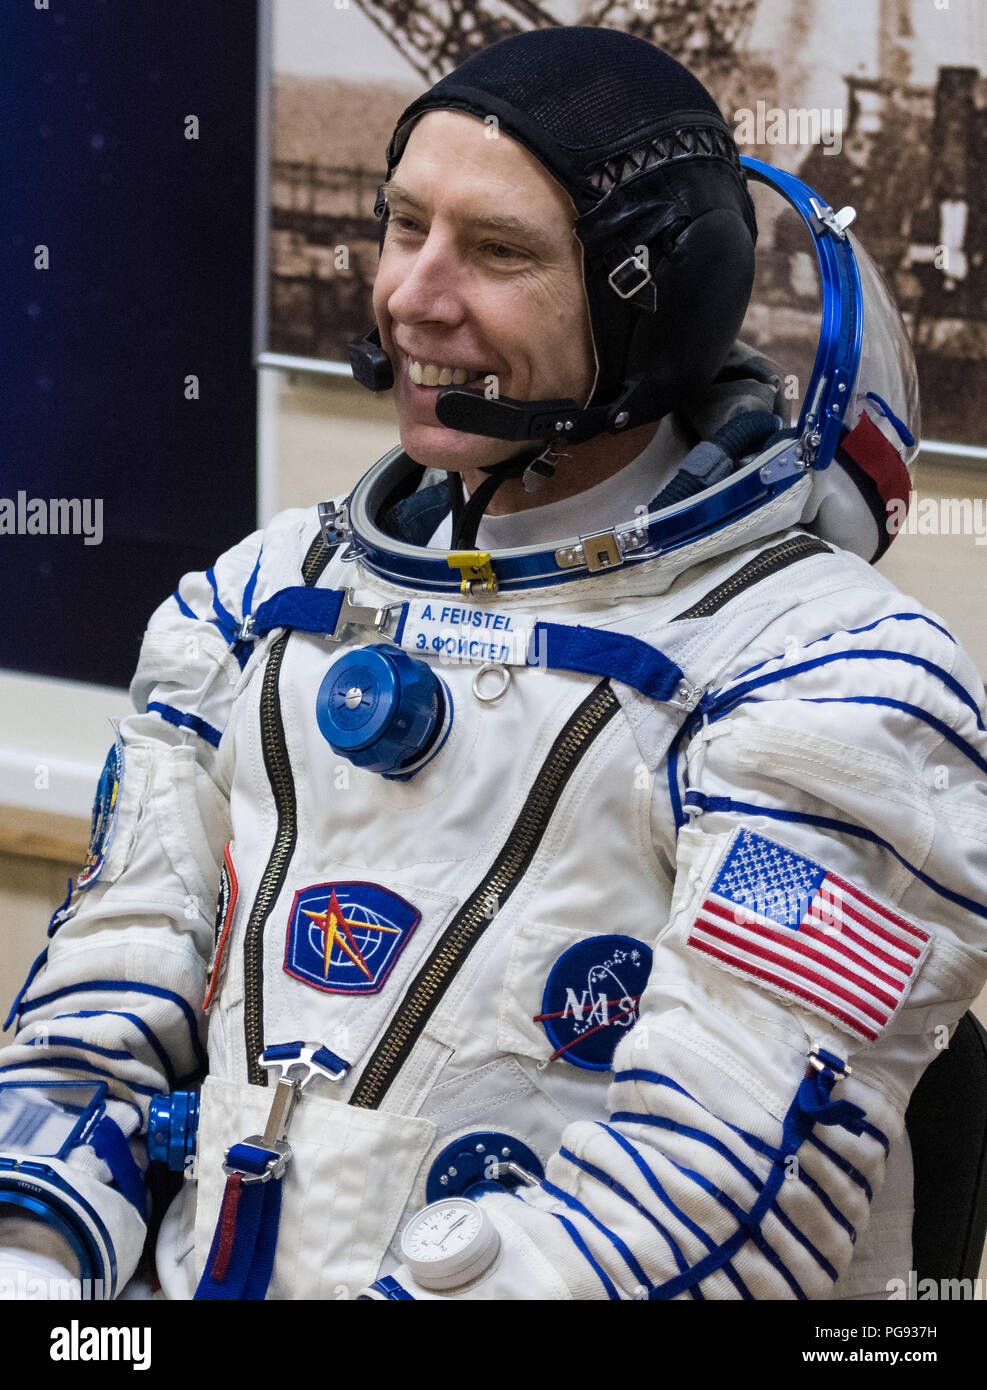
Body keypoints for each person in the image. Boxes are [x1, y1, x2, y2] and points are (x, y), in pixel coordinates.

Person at [1, 25, 985, 1302]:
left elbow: (709, 1199)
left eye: (498, 250)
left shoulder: (832, 681)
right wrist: (37, 1264)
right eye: (405, 226)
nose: (412, 294)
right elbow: (94, 1017)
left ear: (654, 298)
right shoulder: (259, 604)